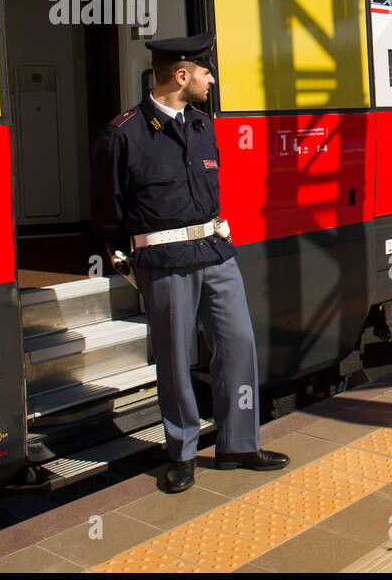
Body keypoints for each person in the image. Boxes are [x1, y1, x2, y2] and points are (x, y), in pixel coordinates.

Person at [90, 33, 288, 493]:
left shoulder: (202, 124)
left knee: (238, 342)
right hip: (163, 261)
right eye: (204, 72)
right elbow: (108, 210)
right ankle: (181, 453)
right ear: (181, 76)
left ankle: (239, 443)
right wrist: (128, 259)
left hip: (215, 252)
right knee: (176, 359)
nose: (210, 79)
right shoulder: (122, 134)